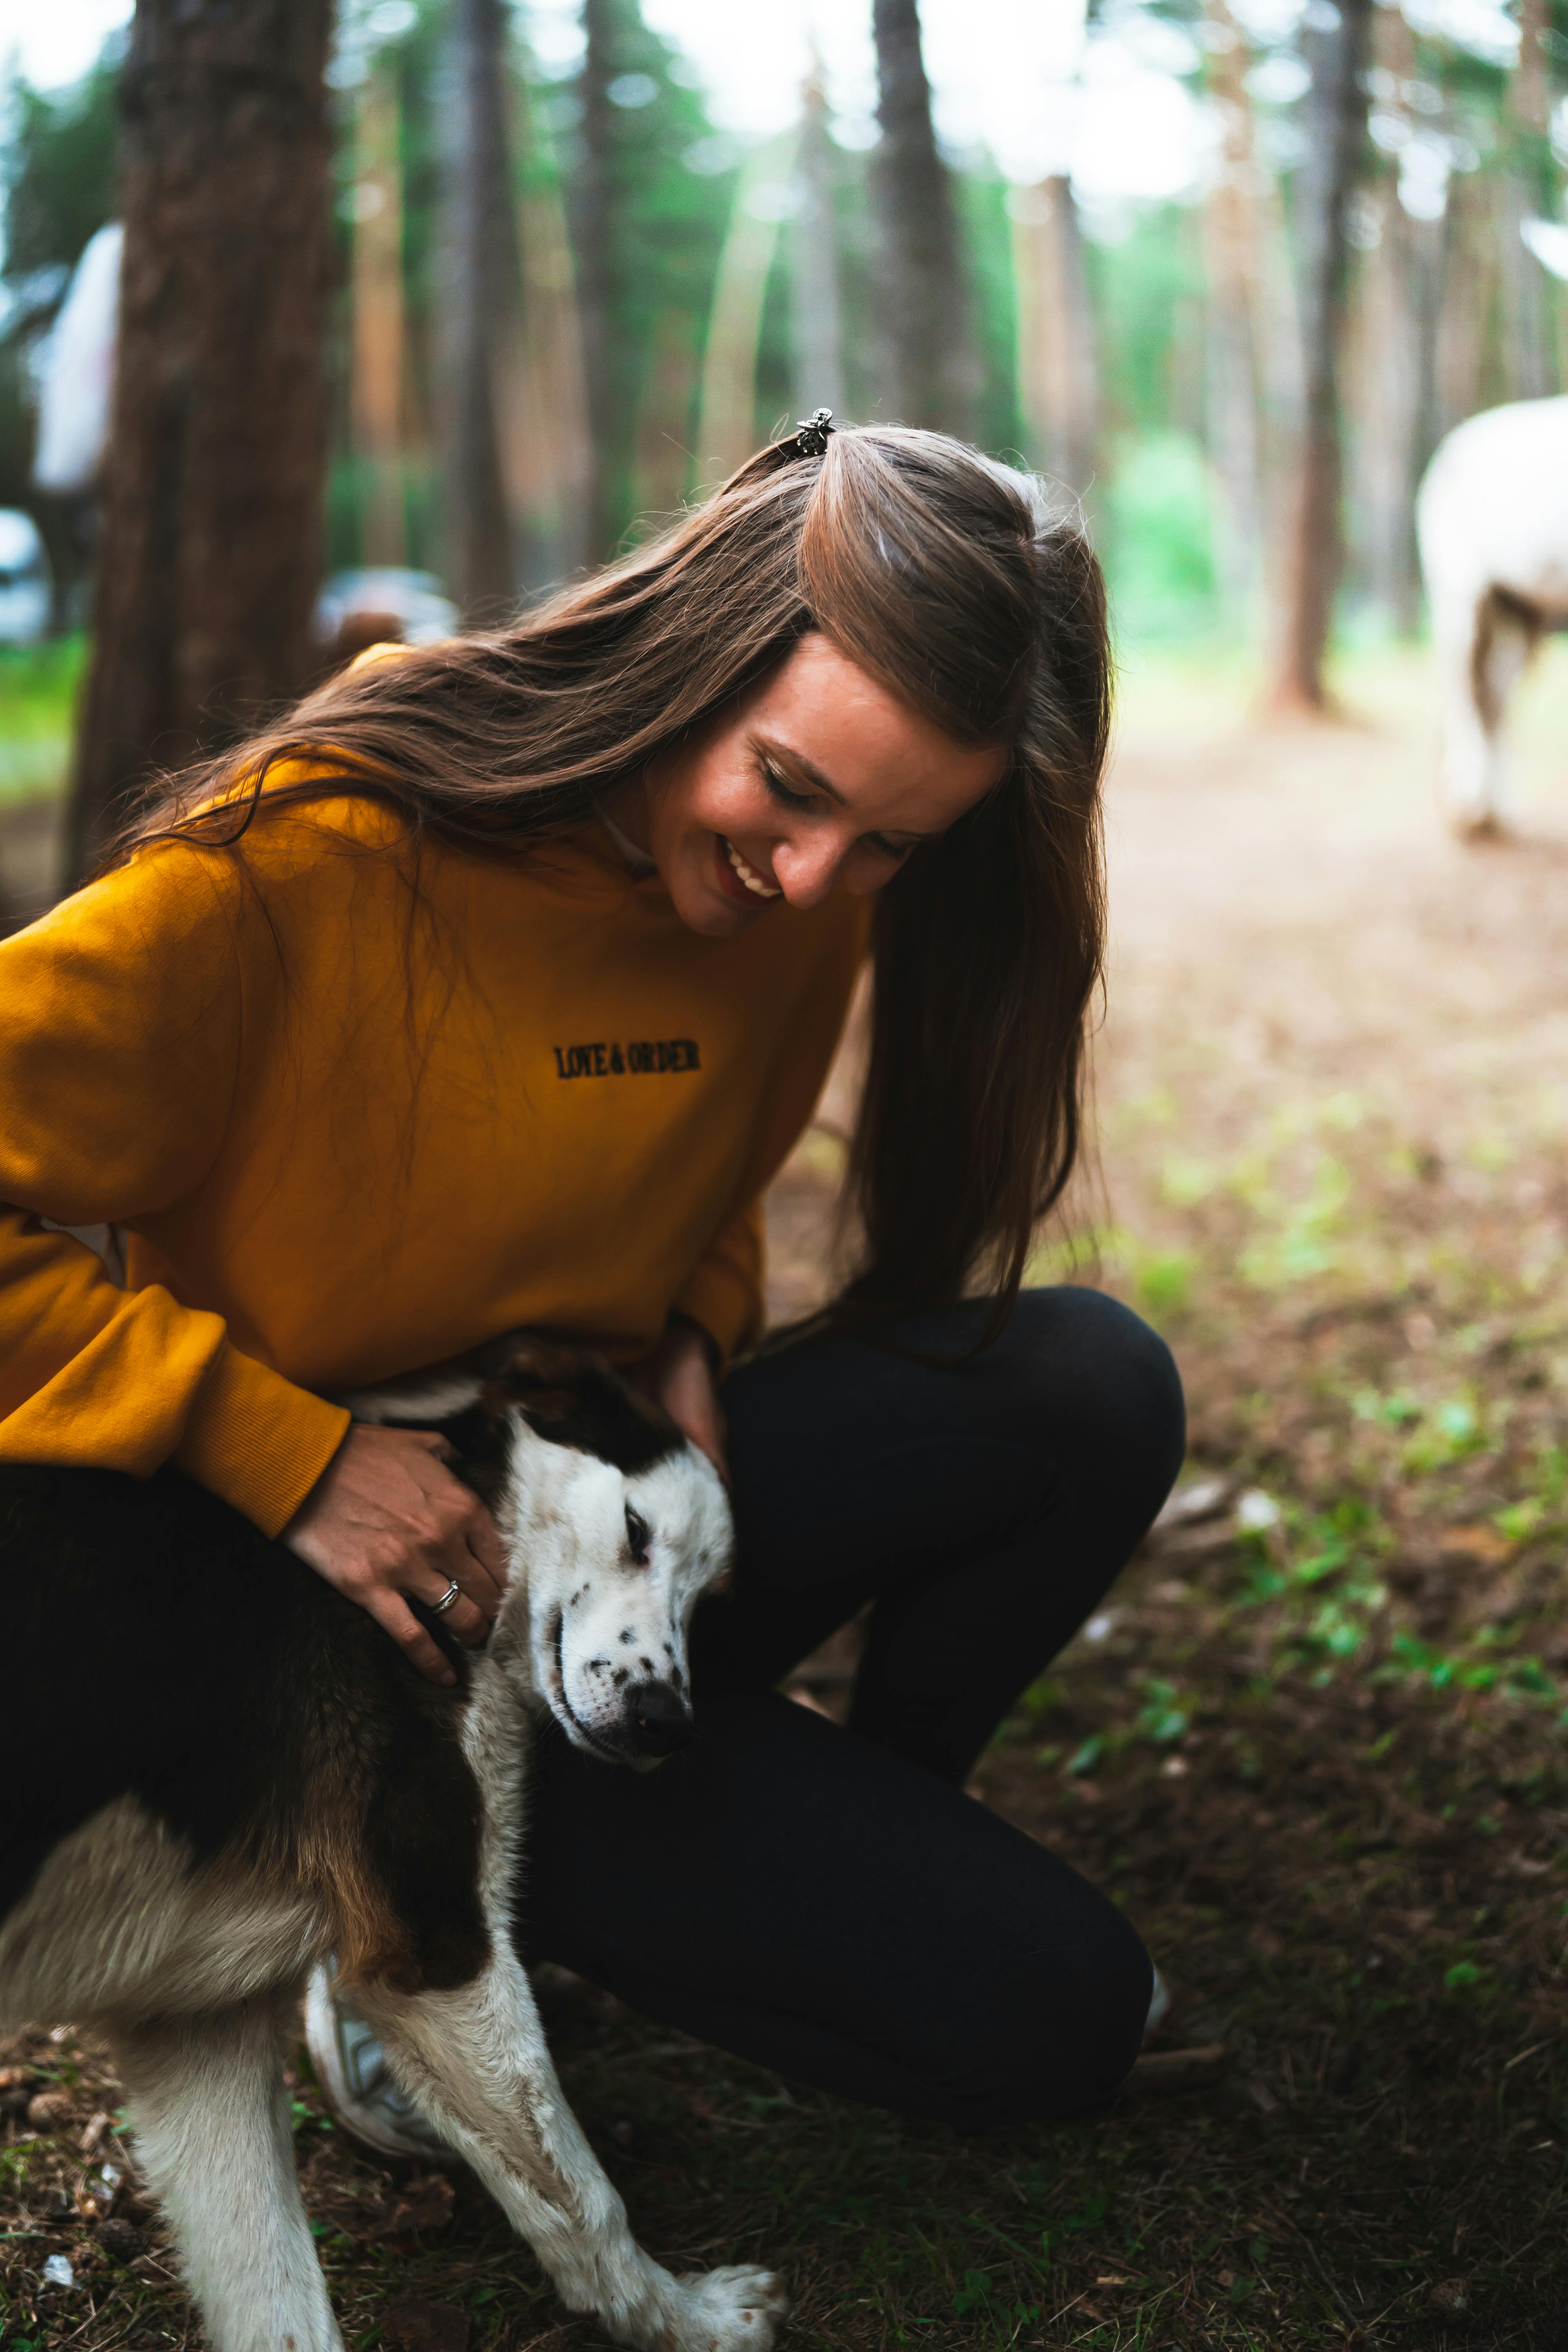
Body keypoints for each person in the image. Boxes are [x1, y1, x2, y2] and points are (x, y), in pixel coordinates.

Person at [0, 420, 1182, 2145]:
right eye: (790, 790)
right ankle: (384, 1912)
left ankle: (832, 1816)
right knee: (1051, 2028)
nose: (811, 883)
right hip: (357, 1636)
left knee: (1085, 1387)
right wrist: (275, 1447)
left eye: (892, 847)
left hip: (603, 1505)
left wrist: (698, 1329)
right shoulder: (310, 864)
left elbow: (690, 1149)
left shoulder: (803, 882)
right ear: (689, 655)